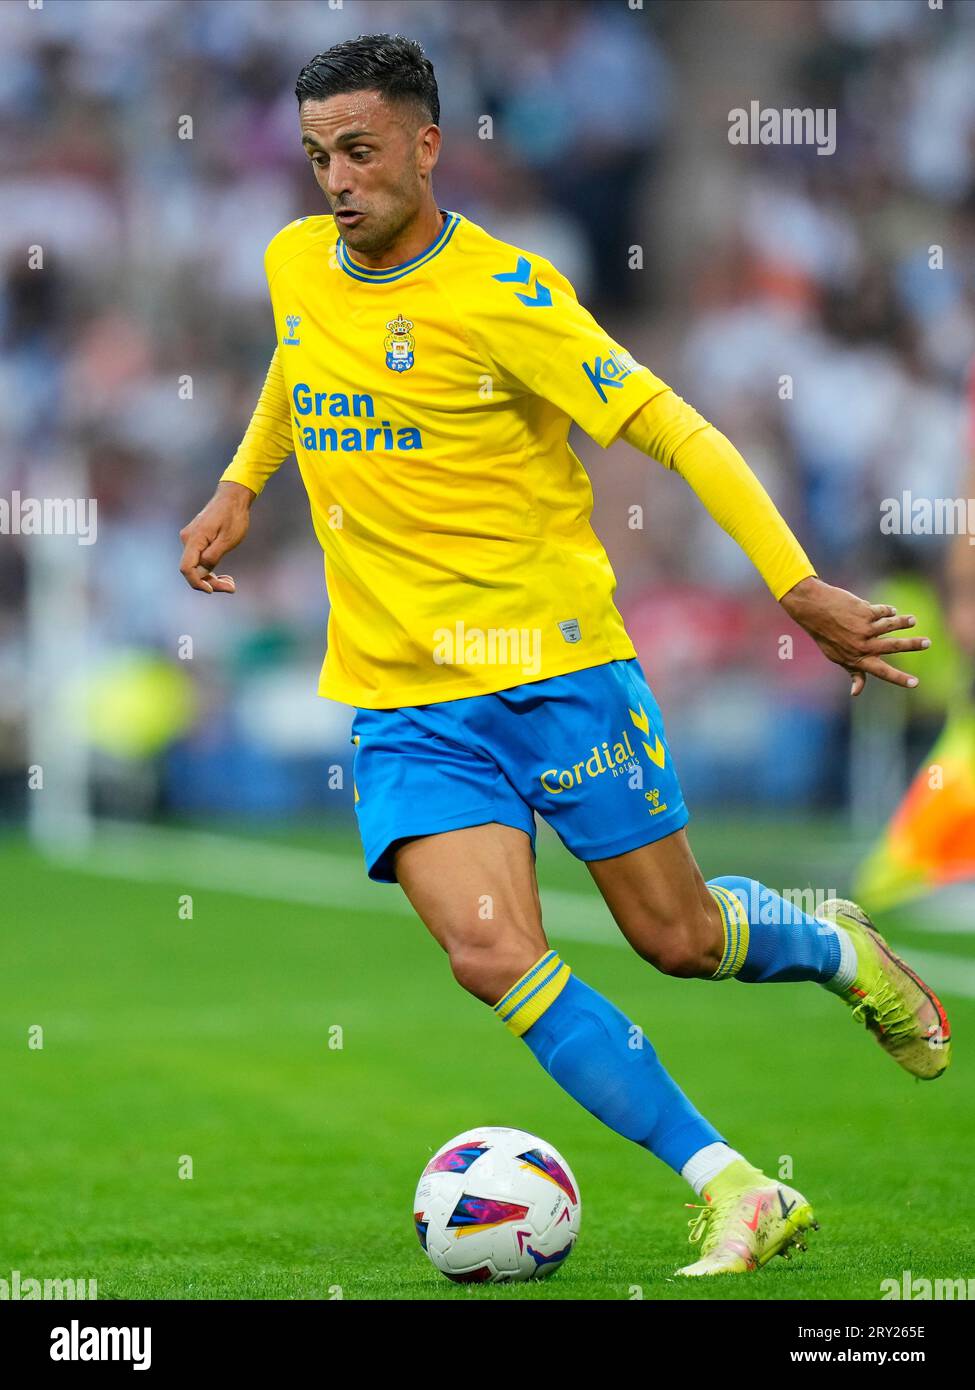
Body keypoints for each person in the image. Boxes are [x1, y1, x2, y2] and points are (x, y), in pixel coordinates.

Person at [178, 34, 950, 1278]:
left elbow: (676, 428)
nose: (336, 179)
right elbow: (294, 358)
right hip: (406, 699)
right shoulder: (293, 263)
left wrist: (793, 581)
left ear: (429, 145)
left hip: (557, 671)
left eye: (362, 151)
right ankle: (736, 1183)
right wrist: (237, 485)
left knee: (680, 939)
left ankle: (837, 947)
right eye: (320, 155)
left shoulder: (508, 295)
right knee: (494, 955)